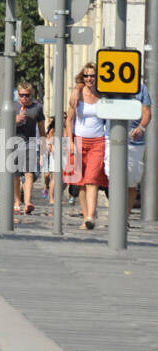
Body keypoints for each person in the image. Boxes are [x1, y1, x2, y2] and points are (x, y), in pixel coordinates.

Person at [64, 62, 107, 230]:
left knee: (92, 180)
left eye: (93, 75)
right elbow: (69, 119)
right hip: (79, 140)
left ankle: (91, 215)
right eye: (86, 76)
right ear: (82, 78)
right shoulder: (78, 94)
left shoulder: (103, 93)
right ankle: (86, 216)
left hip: (98, 141)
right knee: (80, 182)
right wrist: (70, 141)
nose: (90, 78)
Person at [102, 81, 152, 221]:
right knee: (112, 175)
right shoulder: (108, 84)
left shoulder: (141, 88)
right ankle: (117, 215)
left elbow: (147, 113)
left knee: (131, 181)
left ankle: (125, 217)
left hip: (134, 142)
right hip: (112, 138)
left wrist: (141, 128)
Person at [13, 82, 45, 215]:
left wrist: (44, 148)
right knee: (15, 174)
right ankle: (16, 201)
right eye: (22, 95)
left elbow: (42, 128)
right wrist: (14, 120)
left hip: (30, 143)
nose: (24, 98)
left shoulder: (37, 108)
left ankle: (27, 202)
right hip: (13, 142)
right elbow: (2, 126)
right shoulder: (12, 107)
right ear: (18, 94)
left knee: (29, 173)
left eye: (27, 95)